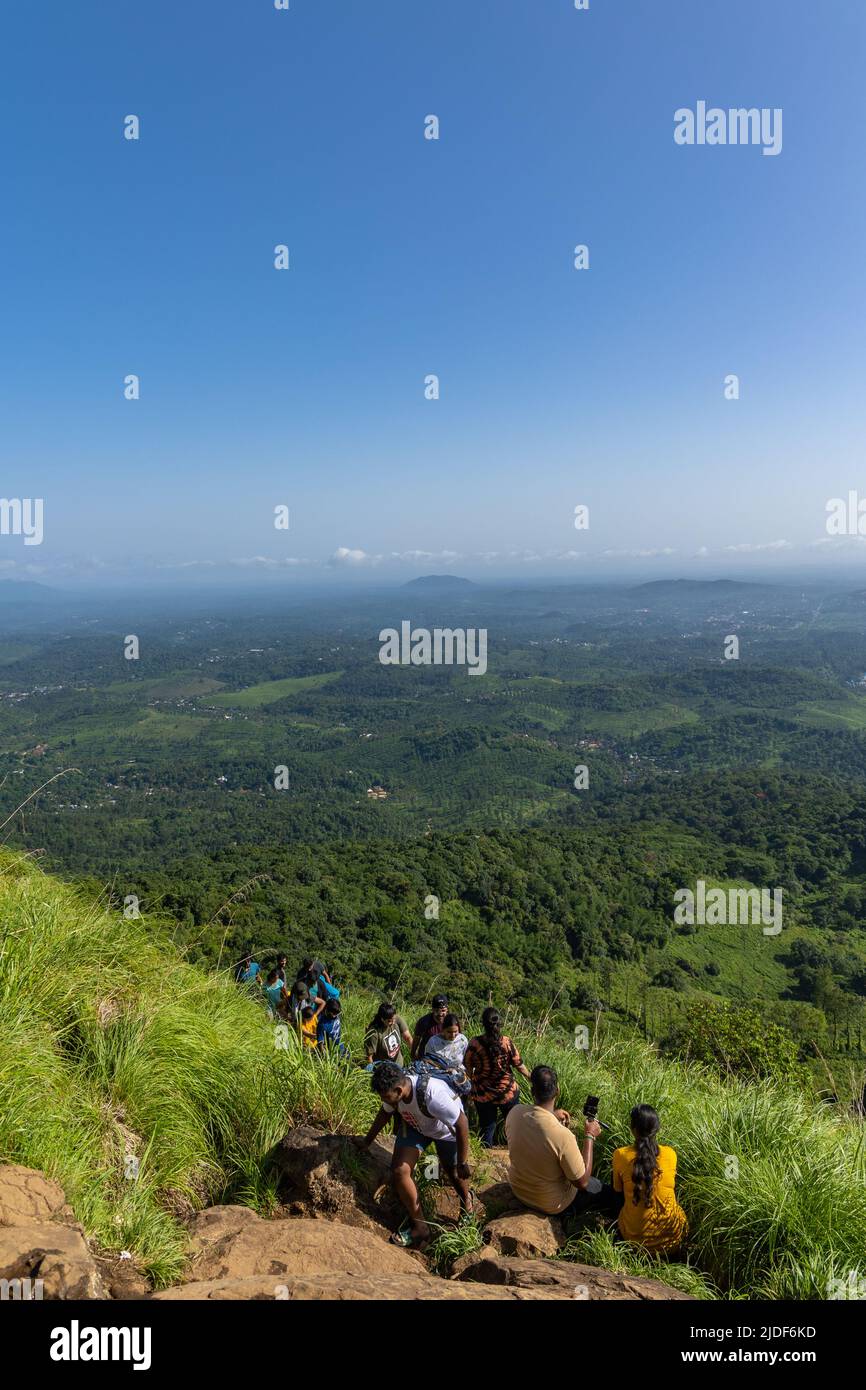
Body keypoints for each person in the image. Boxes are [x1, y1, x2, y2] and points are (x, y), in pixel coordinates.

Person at [357, 1060, 472, 1250]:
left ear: (399, 1091)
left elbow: (462, 1123)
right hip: (416, 1127)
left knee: (454, 1173)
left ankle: (466, 1203)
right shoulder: (393, 1094)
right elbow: (384, 1114)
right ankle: (420, 1227)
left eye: (386, 1097)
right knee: (400, 1171)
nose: (385, 1101)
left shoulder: (433, 1094)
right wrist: (367, 1141)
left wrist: (463, 1161)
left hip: (445, 1131)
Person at [505, 1065, 618, 1222]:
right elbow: (582, 1182)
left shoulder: (514, 1113)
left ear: (532, 1091)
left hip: (519, 1191)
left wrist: (550, 1116)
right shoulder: (564, 1136)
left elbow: (535, 1128)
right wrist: (590, 1136)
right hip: (550, 1204)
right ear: (557, 1090)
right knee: (603, 1189)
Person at [612, 1104, 687, 1254]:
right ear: (657, 1129)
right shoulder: (671, 1154)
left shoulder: (621, 1155)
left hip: (634, 1241)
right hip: (672, 1241)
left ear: (633, 1129)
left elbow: (617, 1190)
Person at [464, 1007, 530, 1146]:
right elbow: (519, 1065)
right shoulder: (506, 1042)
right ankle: (518, 1157)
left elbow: (468, 1068)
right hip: (507, 1092)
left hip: (483, 1093)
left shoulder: (475, 1043)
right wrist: (532, 1078)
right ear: (499, 1024)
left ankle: (485, 1163)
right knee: (514, 1127)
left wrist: (468, 1090)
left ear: (483, 1024)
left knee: (487, 1129)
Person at [410, 994, 449, 1060]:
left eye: (443, 1011)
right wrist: (413, 1054)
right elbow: (416, 1039)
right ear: (432, 1009)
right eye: (437, 1011)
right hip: (426, 1058)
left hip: (444, 1058)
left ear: (447, 1010)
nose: (440, 1014)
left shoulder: (451, 1021)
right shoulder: (424, 1022)